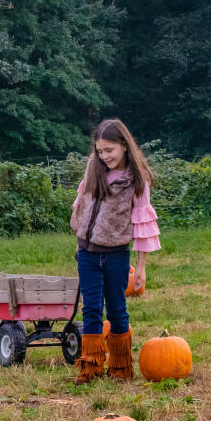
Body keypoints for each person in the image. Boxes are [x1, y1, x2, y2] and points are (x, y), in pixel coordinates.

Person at [69, 118, 161, 385]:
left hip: (116, 254)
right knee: (91, 310)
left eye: (109, 150)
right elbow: (82, 205)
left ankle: (120, 367)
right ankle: (91, 366)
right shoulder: (93, 170)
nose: (104, 156)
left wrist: (141, 266)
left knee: (117, 309)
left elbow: (144, 225)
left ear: (124, 145)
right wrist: (79, 240)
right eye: (99, 151)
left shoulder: (135, 180)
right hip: (87, 252)